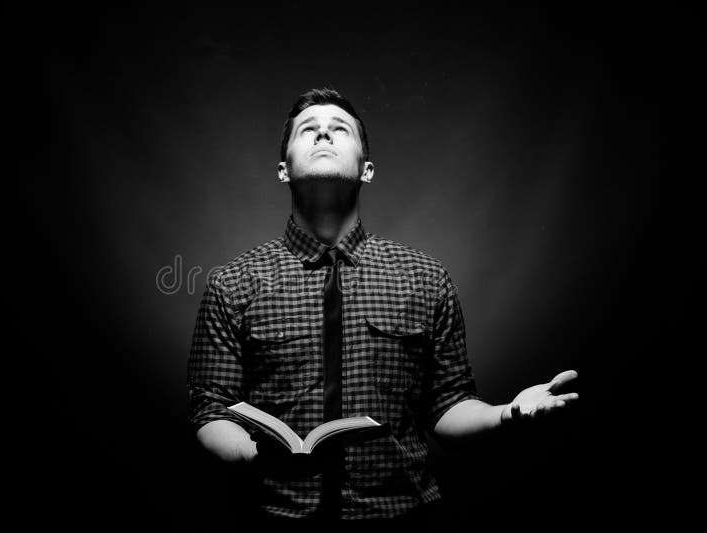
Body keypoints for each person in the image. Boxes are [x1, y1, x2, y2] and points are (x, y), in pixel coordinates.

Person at [187, 87, 578, 527]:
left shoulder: (425, 277)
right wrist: (254, 454)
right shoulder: (232, 283)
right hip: (273, 521)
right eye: (308, 130)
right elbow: (210, 412)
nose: (323, 135)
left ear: (367, 170)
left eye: (340, 129)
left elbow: (448, 406)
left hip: (401, 521)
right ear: (283, 170)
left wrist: (508, 414)